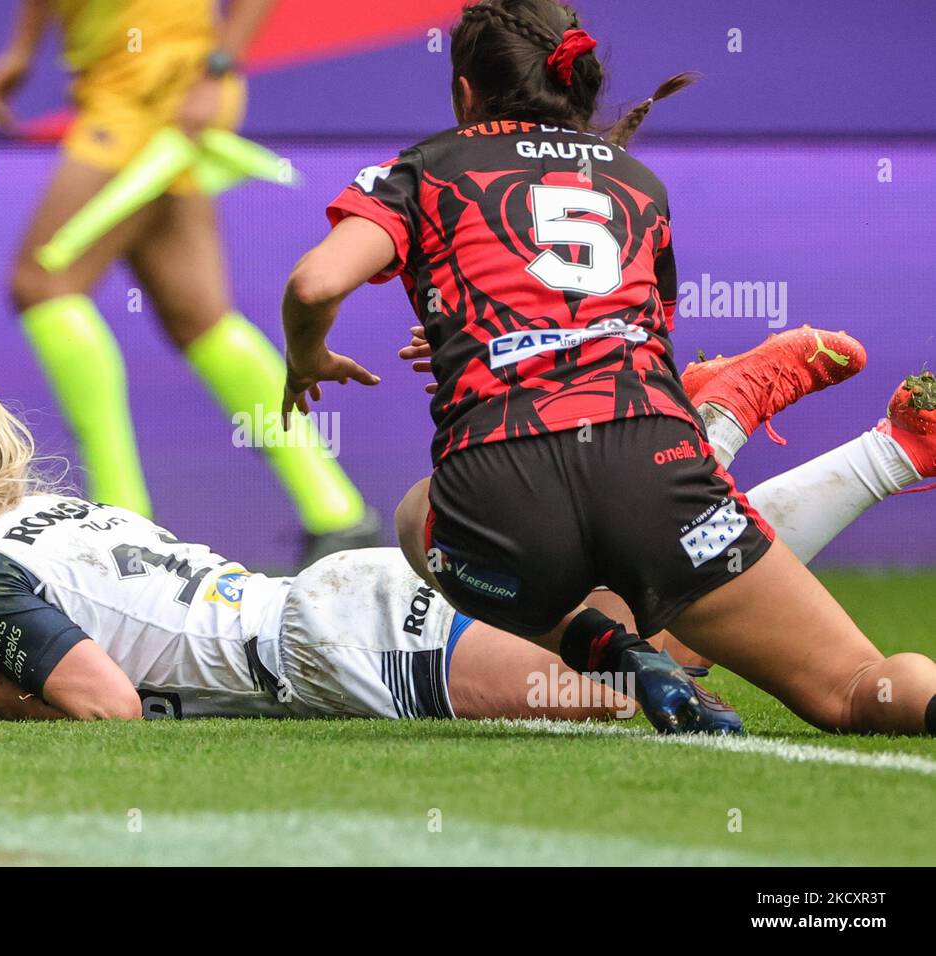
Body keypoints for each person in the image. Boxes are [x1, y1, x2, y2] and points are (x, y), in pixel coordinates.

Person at [278, 0, 936, 734]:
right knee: (855, 689)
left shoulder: (422, 170)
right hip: (652, 475)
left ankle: (615, 650)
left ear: (465, 93)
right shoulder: (638, 186)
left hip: (500, 496)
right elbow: (629, 339)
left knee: (415, 518)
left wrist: (307, 356)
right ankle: (731, 424)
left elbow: (315, 284)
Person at [0, 367, 932, 729]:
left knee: (678, 656)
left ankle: (731, 429)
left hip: (339, 641)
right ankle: (848, 442)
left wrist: (1, 698)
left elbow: (110, 705)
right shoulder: (50, 525)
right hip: (331, 605)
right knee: (667, 631)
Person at [0, 0, 379, 565]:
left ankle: (120, 516)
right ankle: (338, 514)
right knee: (199, 316)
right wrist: (24, 48)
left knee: (42, 283)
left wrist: (216, 71)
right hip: (119, 86)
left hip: (160, 91)